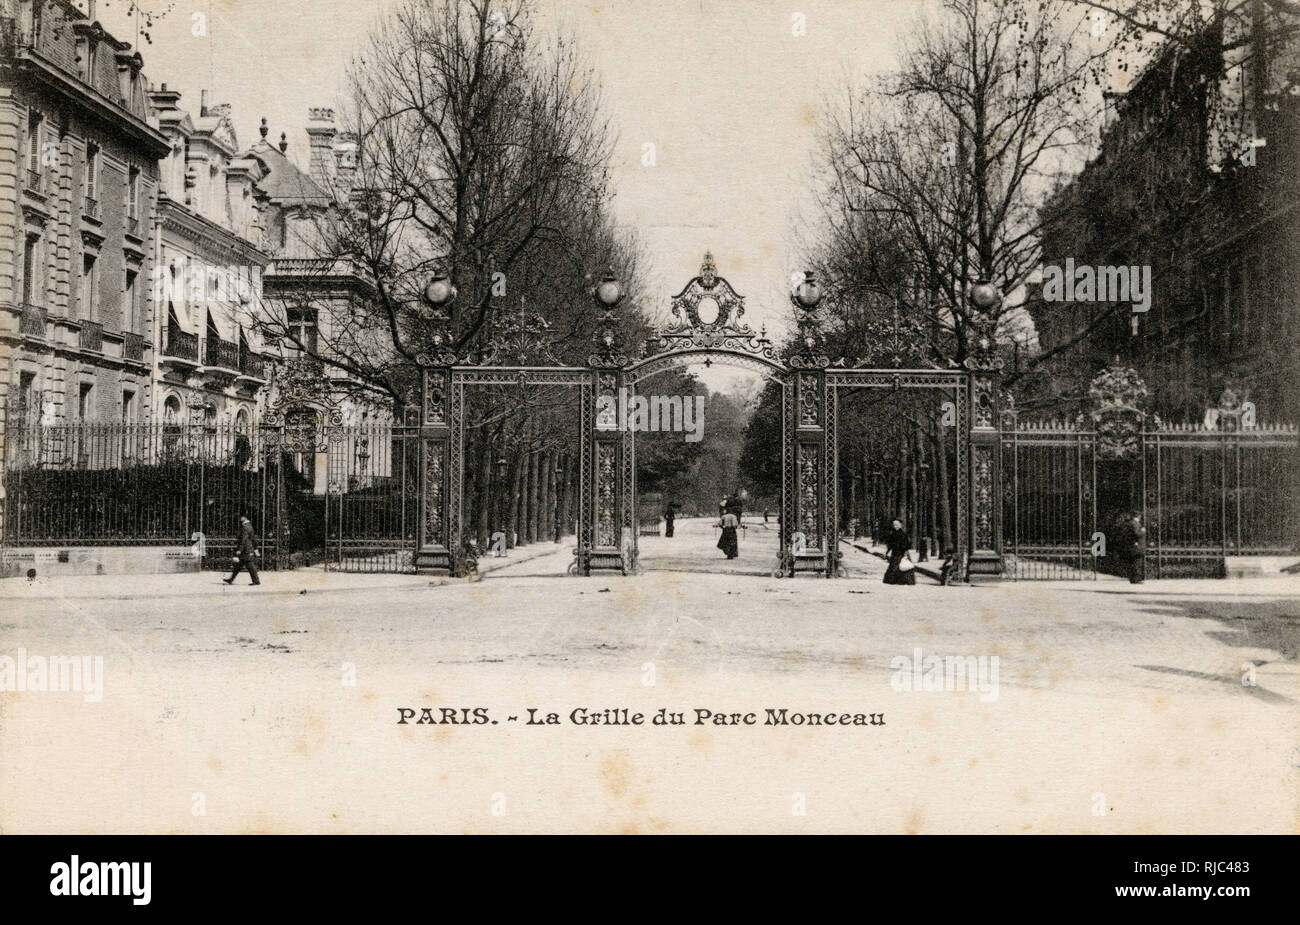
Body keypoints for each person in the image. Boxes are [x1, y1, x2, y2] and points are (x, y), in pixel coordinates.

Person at [223, 515, 260, 586]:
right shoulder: (249, 526)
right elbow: (253, 539)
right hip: (247, 549)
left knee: (250, 566)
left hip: (246, 550)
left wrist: (239, 549)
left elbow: (244, 540)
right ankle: (231, 579)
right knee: (238, 566)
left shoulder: (245, 527)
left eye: (241, 517)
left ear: (244, 518)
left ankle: (256, 581)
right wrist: (255, 548)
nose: (240, 518)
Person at [882, 518, 915, 585]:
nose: (895, 526)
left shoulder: (903, 534)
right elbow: (890, 545)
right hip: (895, 553)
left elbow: (906, 545)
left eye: (897, 525)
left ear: (900, 525)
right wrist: (886, 552)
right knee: (894, 566)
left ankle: (903, 580)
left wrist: (905, 554)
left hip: (902, 553)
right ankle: (894, 580)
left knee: (903, 566)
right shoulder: (892, 534)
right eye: (894, 525)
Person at [1118, 512, 1146, 584]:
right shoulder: (1135, 524)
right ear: (1138, 516)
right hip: (1137, 547)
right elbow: (1136, 534)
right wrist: (1142, 531)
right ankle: (1136, 579)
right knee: (1137, 563)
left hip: (1133, 546)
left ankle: (1133, 579)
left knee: (1134, 563)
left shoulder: (1130, 523)